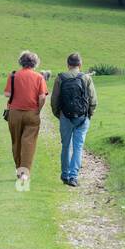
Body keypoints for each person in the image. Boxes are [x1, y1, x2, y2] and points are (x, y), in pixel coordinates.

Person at [50, 52, 96, 187]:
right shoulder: (86, 78)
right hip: (82, 117)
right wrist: (89, 114)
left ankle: (64, 175)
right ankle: (73, 176)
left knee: (65, 146)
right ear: (80, 64)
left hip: (65, 116)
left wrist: (59, 115)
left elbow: (54, 101)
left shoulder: (60, 78)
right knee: (78, 147)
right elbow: (93, 100)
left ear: (68, 65)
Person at [3, 50, 48, 188]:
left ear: (21, 62)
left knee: (16, 142)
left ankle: (19, 170)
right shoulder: (39, 77)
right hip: (31, 113)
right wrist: (38, 110)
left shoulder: (13, 76)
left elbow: (6, 94)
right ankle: (24, 173)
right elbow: (42, 97)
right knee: (29, 144)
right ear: (35, 63)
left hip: (14, 113)